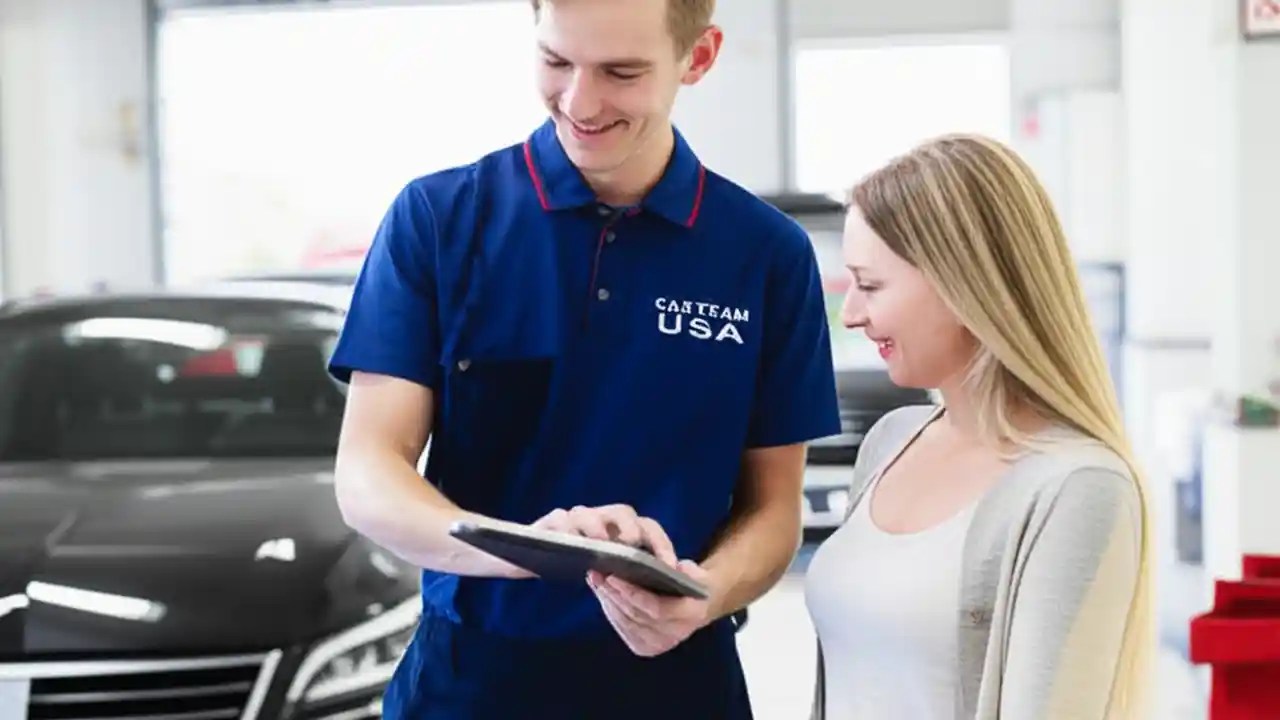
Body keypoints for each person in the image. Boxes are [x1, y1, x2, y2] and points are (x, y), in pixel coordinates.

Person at [326, 0, 842, 717]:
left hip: (679, 681)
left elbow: (774, 510)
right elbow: (367, 474)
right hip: (471, 679)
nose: (580, 102)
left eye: (621, 72)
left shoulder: (765, 255)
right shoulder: (440, 220)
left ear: (699, 57)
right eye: (556, 62)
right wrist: (527, 551)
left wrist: (704, 595)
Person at [804, 134, 1153, 720]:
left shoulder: (1077, 486)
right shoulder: (893, 442)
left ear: (963, 283)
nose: (853, 314)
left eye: (869, 285)